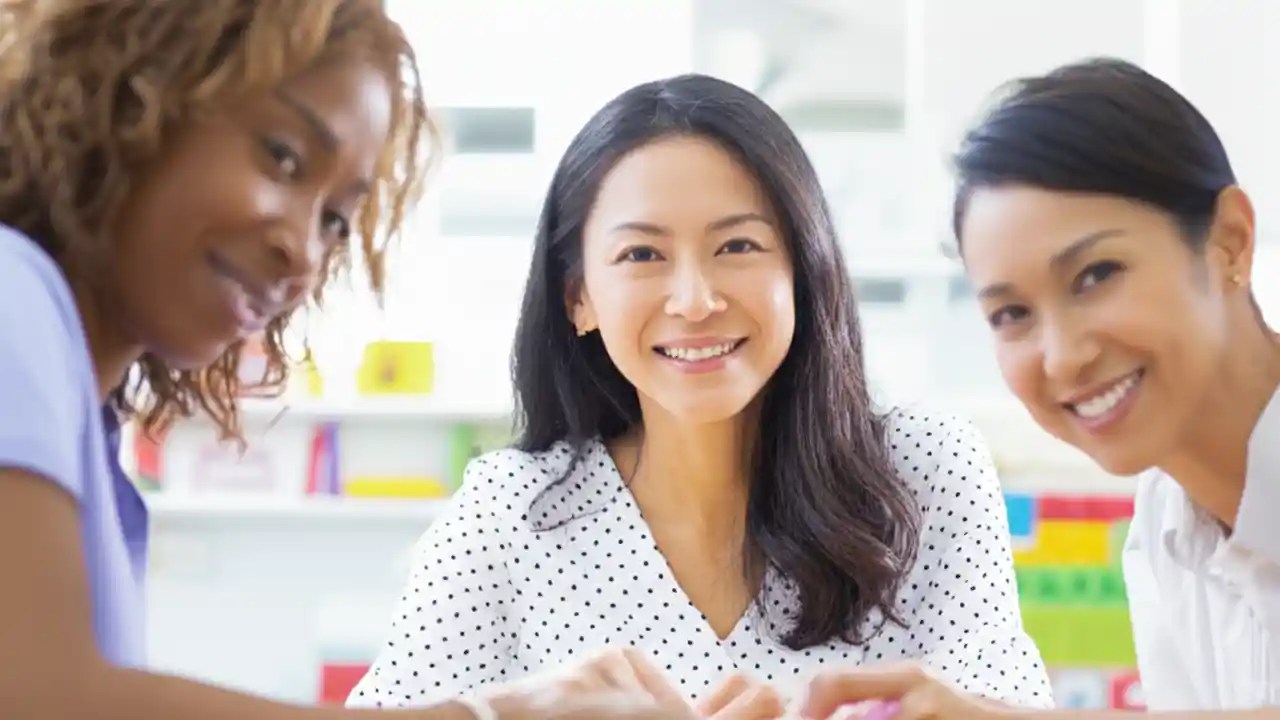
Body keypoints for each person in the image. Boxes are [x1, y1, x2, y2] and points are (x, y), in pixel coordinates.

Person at [0, 2, 708, 719]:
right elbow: (39, 697)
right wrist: (501, 714)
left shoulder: (83, 416)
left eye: (336, 220)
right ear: (135, 96)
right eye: (282, 157)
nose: (303, 252)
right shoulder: (12, 291)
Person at [348, 73, 1053, 716]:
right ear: (578, 297)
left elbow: (1002, 704)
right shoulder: (511, 511)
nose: (694, 300)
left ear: (803, 269)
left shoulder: (926, 470)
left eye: (738, 246)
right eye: (642, 255)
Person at [791, 58, 1280, 719]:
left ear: (1230, 243)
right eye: (1012, 314)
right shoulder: (1168, 526)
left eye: (1096, 275)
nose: (1064, 357)